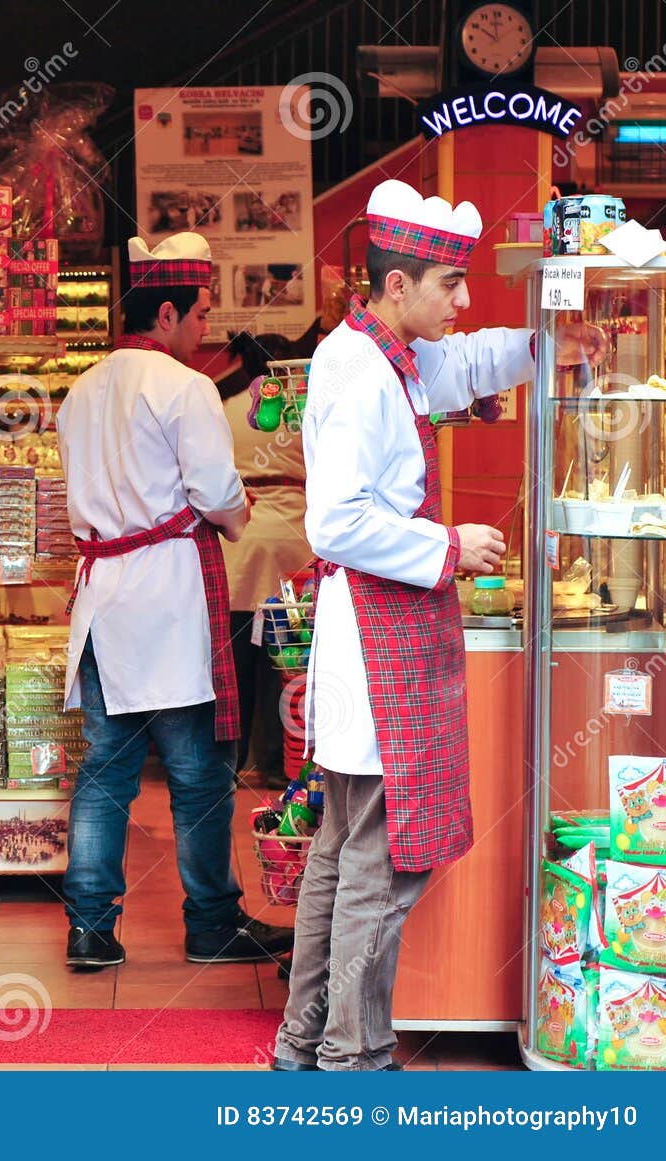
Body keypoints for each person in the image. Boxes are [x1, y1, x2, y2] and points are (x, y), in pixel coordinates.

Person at [273, 179, 602, 1071]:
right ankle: (356, 1056)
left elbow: (469, 363)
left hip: (372, 631)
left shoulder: (390, 355)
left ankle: (305, 1043)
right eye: (449, 285)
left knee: (342, 854)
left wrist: (547, 344)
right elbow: (334, 523)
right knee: (382, 861)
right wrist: (448, 541)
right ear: (397, 285)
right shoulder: (359, 375)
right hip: (376, 637)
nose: (463, 301)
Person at [57, 231, 295, 971]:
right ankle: (212, 922)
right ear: (166, 312)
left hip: (101, 599)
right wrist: (232, 512)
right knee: (197, 772)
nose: (205, 333)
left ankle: (91, 929)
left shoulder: (82, 387)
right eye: (198, 316)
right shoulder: (183, 386)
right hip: (166, 596)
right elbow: (220, 495)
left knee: (105, 771)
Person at [220, 368, 310, 789]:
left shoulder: (222, 408)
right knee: (287, 662)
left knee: (235, 663)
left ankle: (229, 762)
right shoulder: (299, 413)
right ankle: (277, 762)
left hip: (239, 541)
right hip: (293, 539)